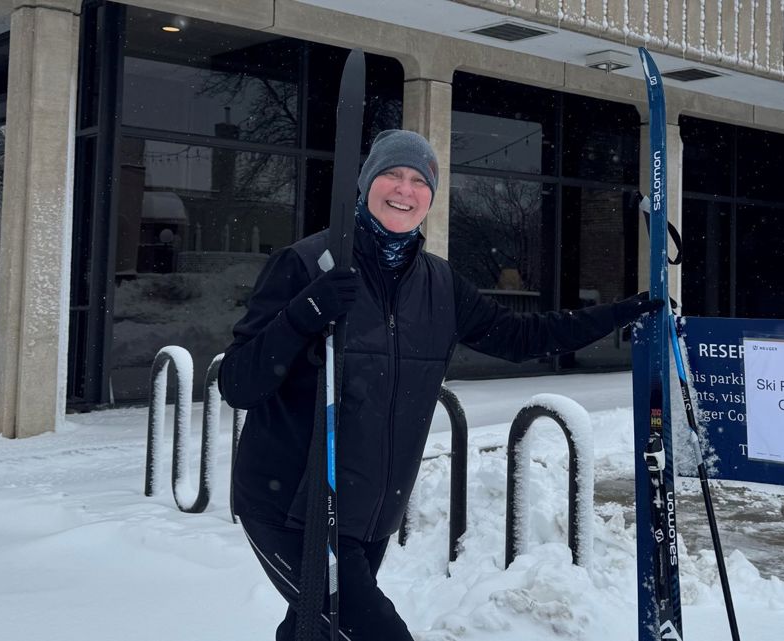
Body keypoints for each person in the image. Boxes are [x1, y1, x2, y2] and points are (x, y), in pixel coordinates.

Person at [219, 129, 663, 641]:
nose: (404, 189)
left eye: (417, 180)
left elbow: (525, 336)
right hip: (295, 506)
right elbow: (239, 383)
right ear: (366, 184)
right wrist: (305, 313)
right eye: (391, 174)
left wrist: (623, 312)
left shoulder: (440, 285)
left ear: (430, 197)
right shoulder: (305, 265)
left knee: (315, 629)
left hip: (368, 513)